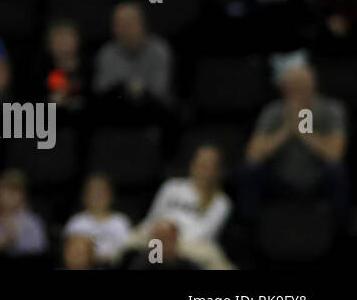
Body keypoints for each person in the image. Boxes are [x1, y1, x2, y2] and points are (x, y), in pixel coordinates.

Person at [241, 60, 348, 223]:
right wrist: (286, 130)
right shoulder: (272, 112)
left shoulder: (331, 109)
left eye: (303, 86)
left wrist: (304, 131)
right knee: (250, 172)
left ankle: (342, 231)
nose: (299, 91)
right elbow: (253, 156)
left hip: (316, 180)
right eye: (294, 86)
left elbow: (334, 156)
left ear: (313, 86)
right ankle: (248, 229)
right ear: (285, 89)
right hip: (280, 180)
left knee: (337, 173)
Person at [138, 145, 234, 269]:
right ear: (192, 164)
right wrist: (160, 232)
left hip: (188, 245)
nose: (203, 167)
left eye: (209, 164)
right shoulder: (171, 186)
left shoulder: (221, 202)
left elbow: (204, 234)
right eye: (200, 161)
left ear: (218, 171)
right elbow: (153, 217)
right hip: (157, 235)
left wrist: (171, 232)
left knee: (216, 258)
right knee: (127, 239)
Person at [63, 173, 132, 265]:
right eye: (93, 193)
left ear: (111, 195)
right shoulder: (77, 222)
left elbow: (127, 249)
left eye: (102, 192)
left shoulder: (120, 221)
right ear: (85, 197)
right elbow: (70, 254)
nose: (98, 197)